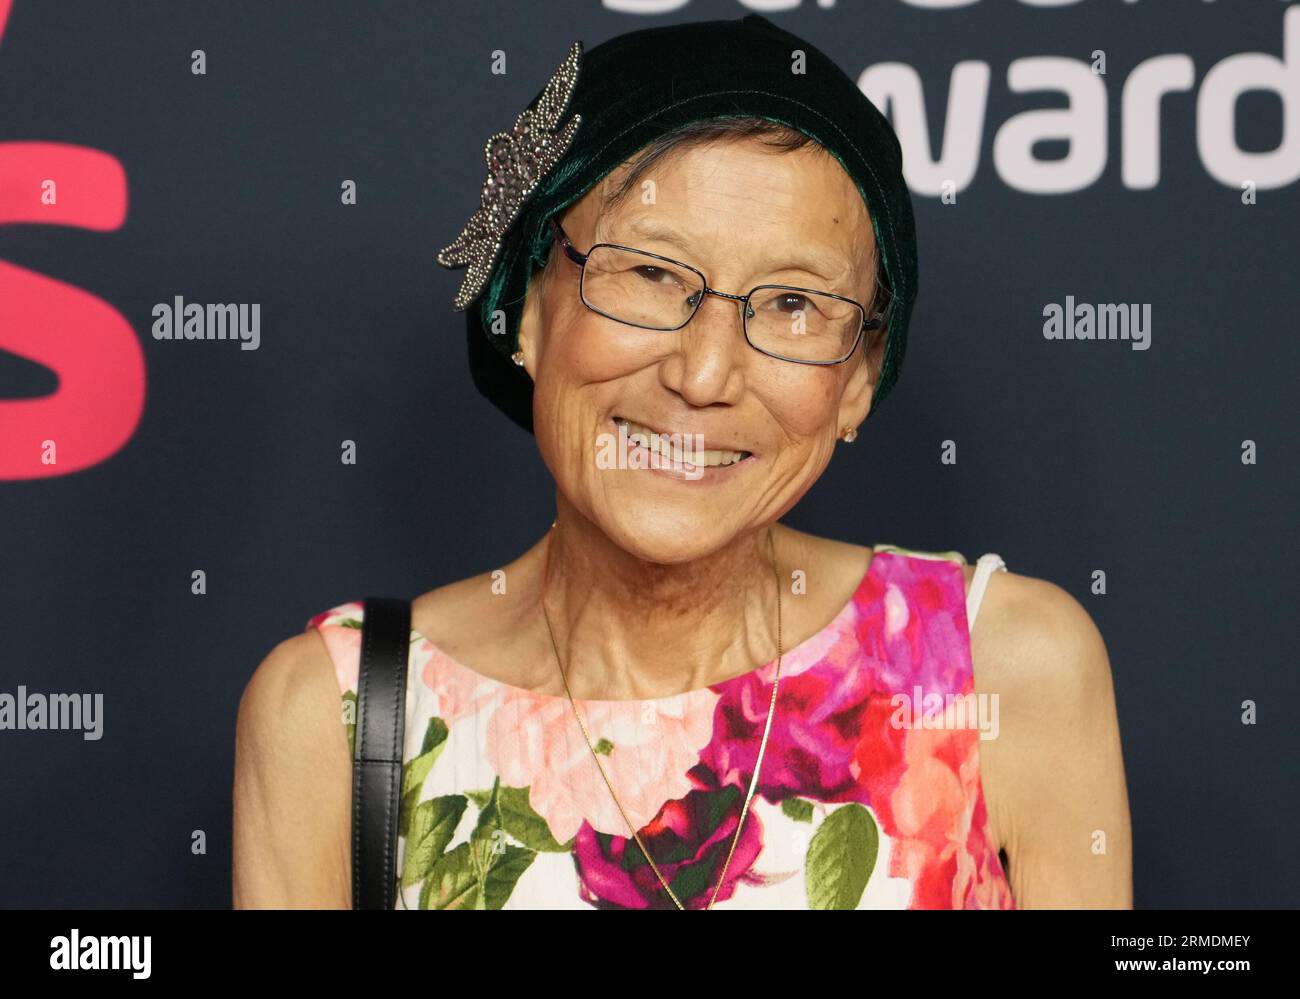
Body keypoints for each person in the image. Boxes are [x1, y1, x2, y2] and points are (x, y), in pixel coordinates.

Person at [232, 14, 1131, 909]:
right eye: (650, 273)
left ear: (859, 377)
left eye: (791, 304)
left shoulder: (1002, 671)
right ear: (528, 310)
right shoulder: (334, 719)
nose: (704, 374)